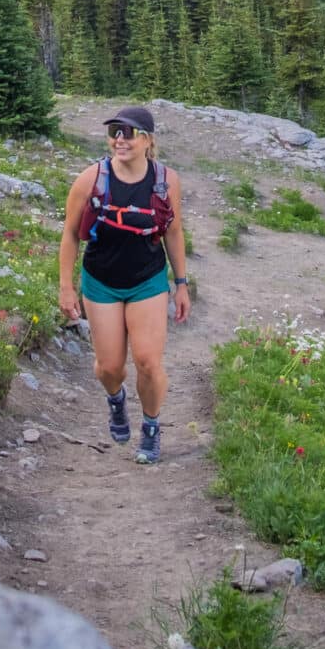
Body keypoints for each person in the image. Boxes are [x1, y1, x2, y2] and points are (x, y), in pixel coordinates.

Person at [58, 104, 190, 466]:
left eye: (128, 133)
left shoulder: (166, 181)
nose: (120, 139)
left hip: (147, 279)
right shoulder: (91, 179)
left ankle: (151, 427)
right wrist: (66, 286)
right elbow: (70, 234)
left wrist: (181, 283)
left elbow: (173, 232)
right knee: (109, 368)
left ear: (147, 140)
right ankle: (116, 400)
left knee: (148, 361)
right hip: (101, 281)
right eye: (114, 132)